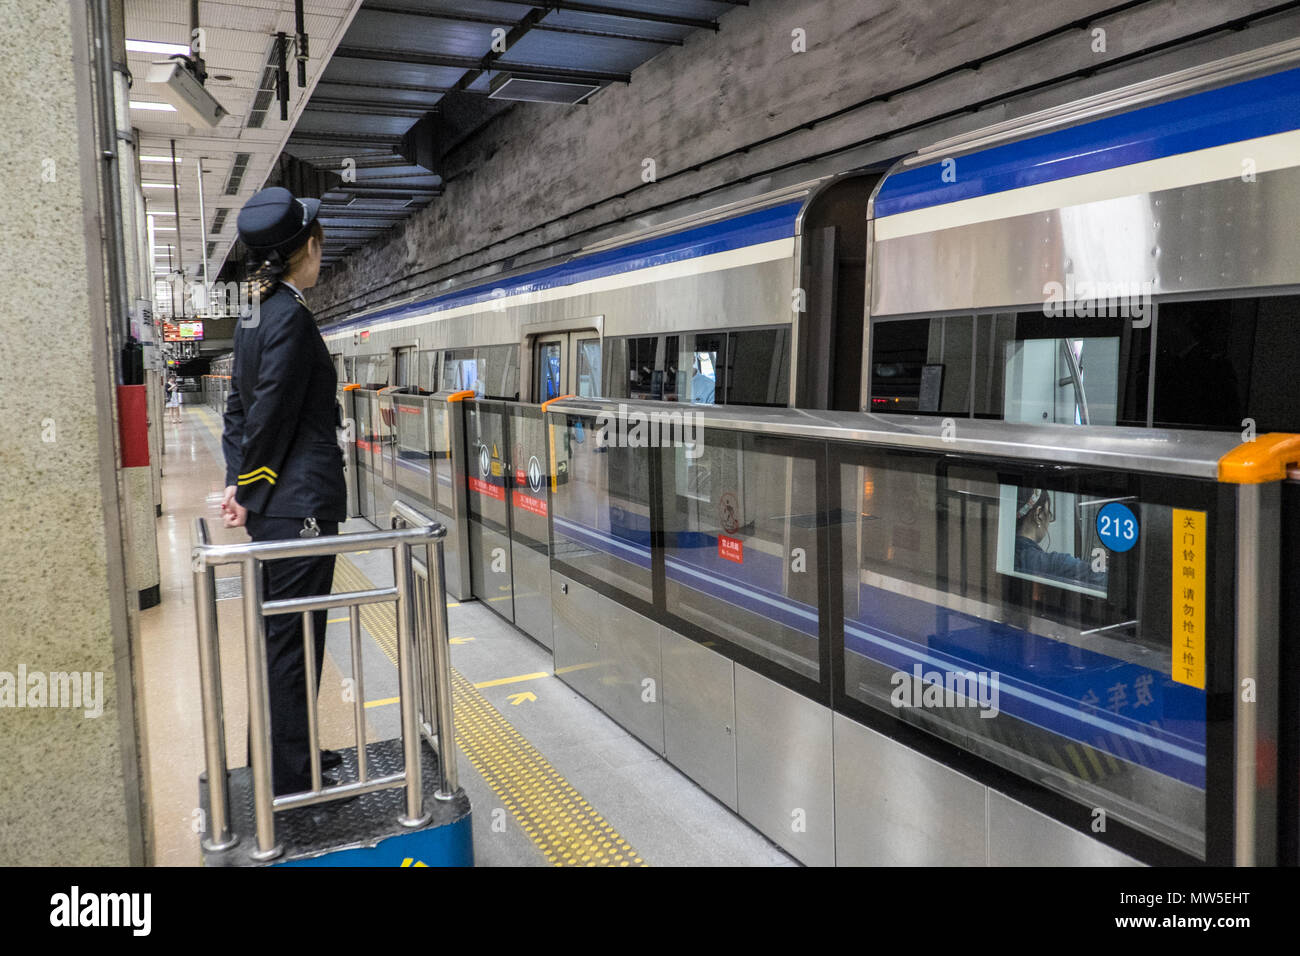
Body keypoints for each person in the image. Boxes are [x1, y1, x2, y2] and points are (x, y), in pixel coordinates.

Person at [220, 186, 347, 797]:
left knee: (281, 640)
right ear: (305, 249)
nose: (323, 249)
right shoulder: (291, 316)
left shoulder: (252, 313)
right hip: (301, 508)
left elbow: (238, 408)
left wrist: (237, 483)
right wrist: (249, 486)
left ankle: (281, 762)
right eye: (318, 239)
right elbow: (269, 410)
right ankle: (291, 778)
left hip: (276, 509)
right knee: (296, 640)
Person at [1014, 487, 1107, 591]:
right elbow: (1102, 577)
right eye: (1049, 513)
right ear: (1039, 515)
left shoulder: (1006, 554)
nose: (1049, 520)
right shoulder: (1055, 564)